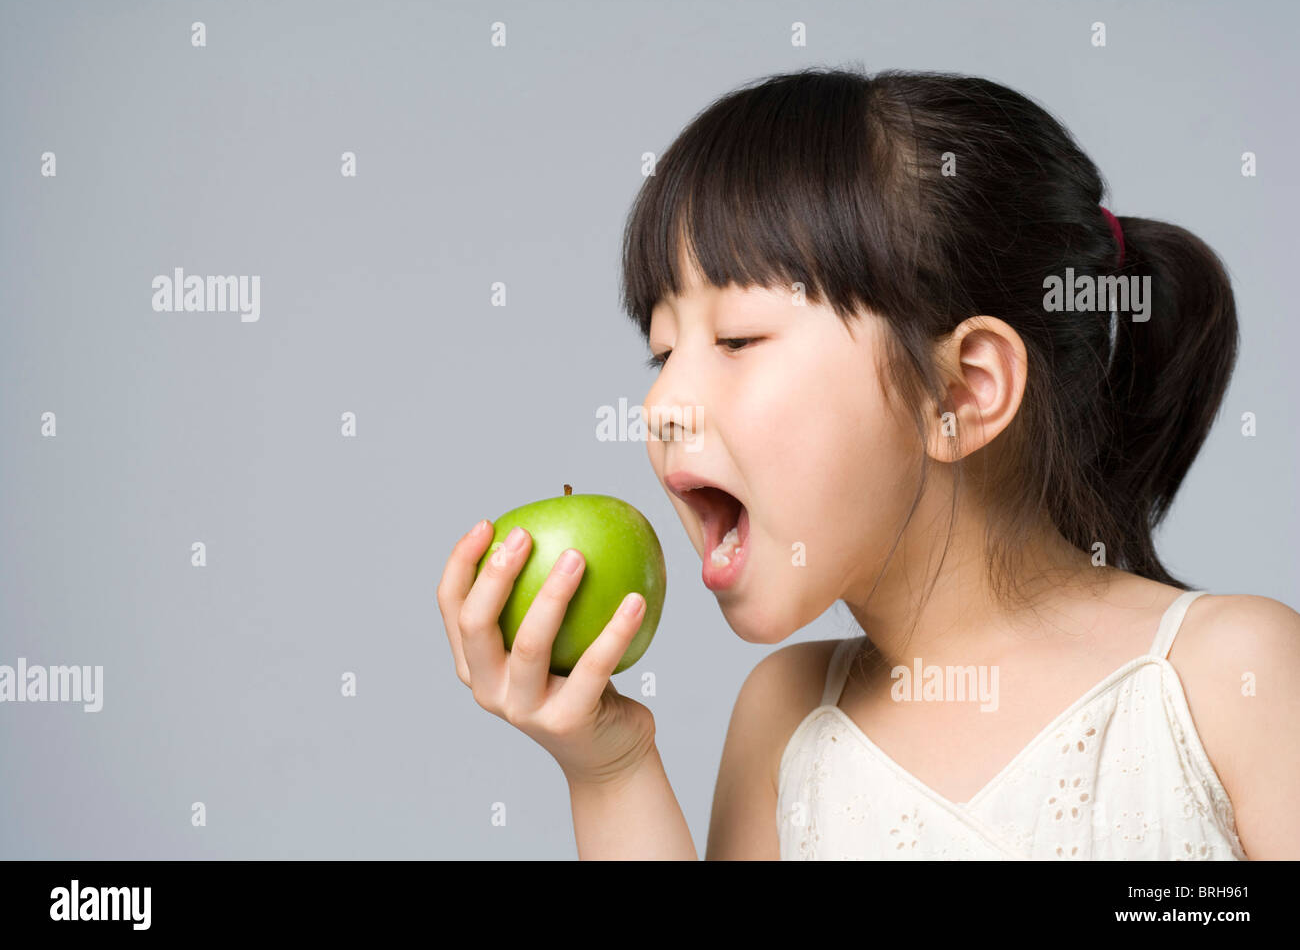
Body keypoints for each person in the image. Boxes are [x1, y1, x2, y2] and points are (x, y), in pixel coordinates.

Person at [437, 66, 1299, 859]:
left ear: (960, 392)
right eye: (663, 352)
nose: (661, 405)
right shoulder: (786, 720)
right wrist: (609, 768)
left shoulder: (1231, 676)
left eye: (737, 339)